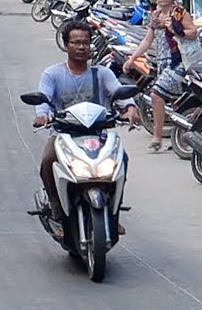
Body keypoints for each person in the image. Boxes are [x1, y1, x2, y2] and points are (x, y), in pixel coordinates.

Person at [33, 21, 139, 236]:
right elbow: (43, 99)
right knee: (47, 161)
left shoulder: (101, 73)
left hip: (98, 134)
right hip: (64, 134)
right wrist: (42, 115)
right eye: (76, 43)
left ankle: (113, 212)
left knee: (122, 160)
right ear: (66, 45)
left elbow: (118, 92)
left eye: (85, 43)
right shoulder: (52, 74)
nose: (81, 47)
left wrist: (129, 107)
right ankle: (56, 210)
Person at [123, 0, 201, 152]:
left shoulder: (178, 12)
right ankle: (181, 138)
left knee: (156, 95)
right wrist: (133, 58)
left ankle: (157, 137)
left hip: (179, 61)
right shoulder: (155, 15)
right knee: (174, 102)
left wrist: (175, 30)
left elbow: (193, 32)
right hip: (163, 62)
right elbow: (147, 40)